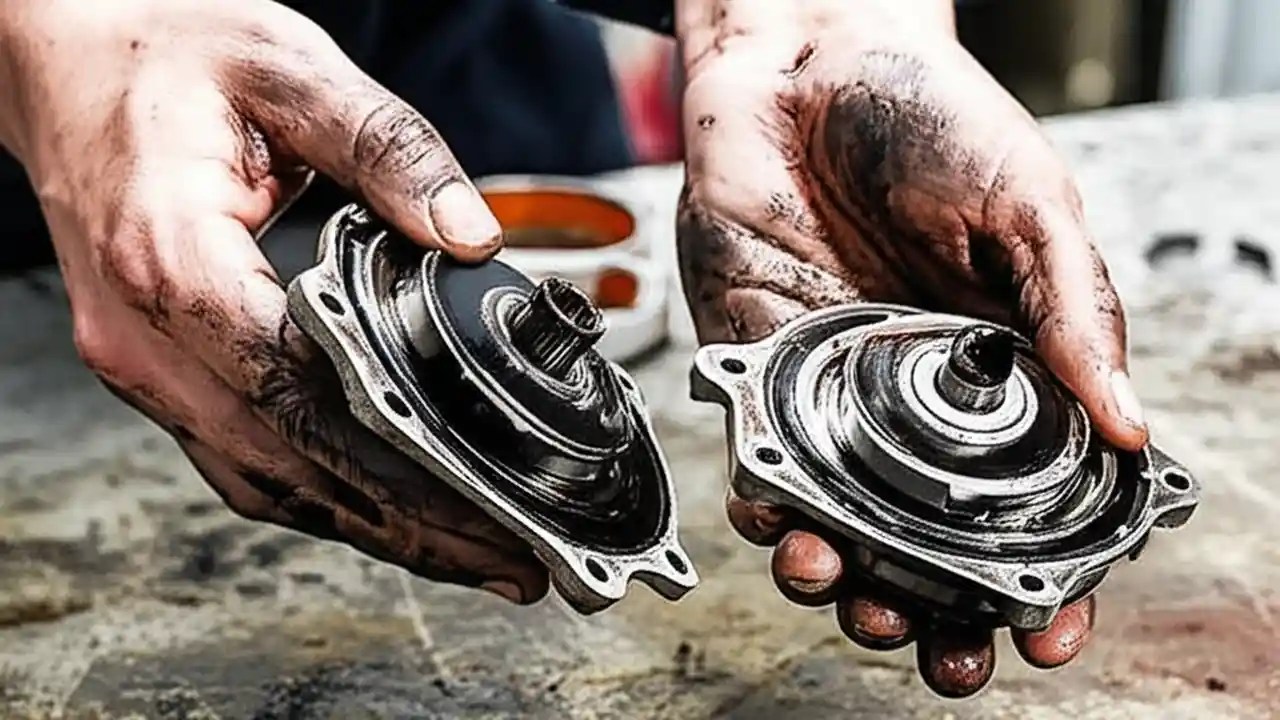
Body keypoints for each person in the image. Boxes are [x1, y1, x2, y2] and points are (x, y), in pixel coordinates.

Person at [0, 0, 1148, 698]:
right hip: (77, 158)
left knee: (481, 255)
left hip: (457, 57)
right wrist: (54, 43)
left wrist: (817, 35)